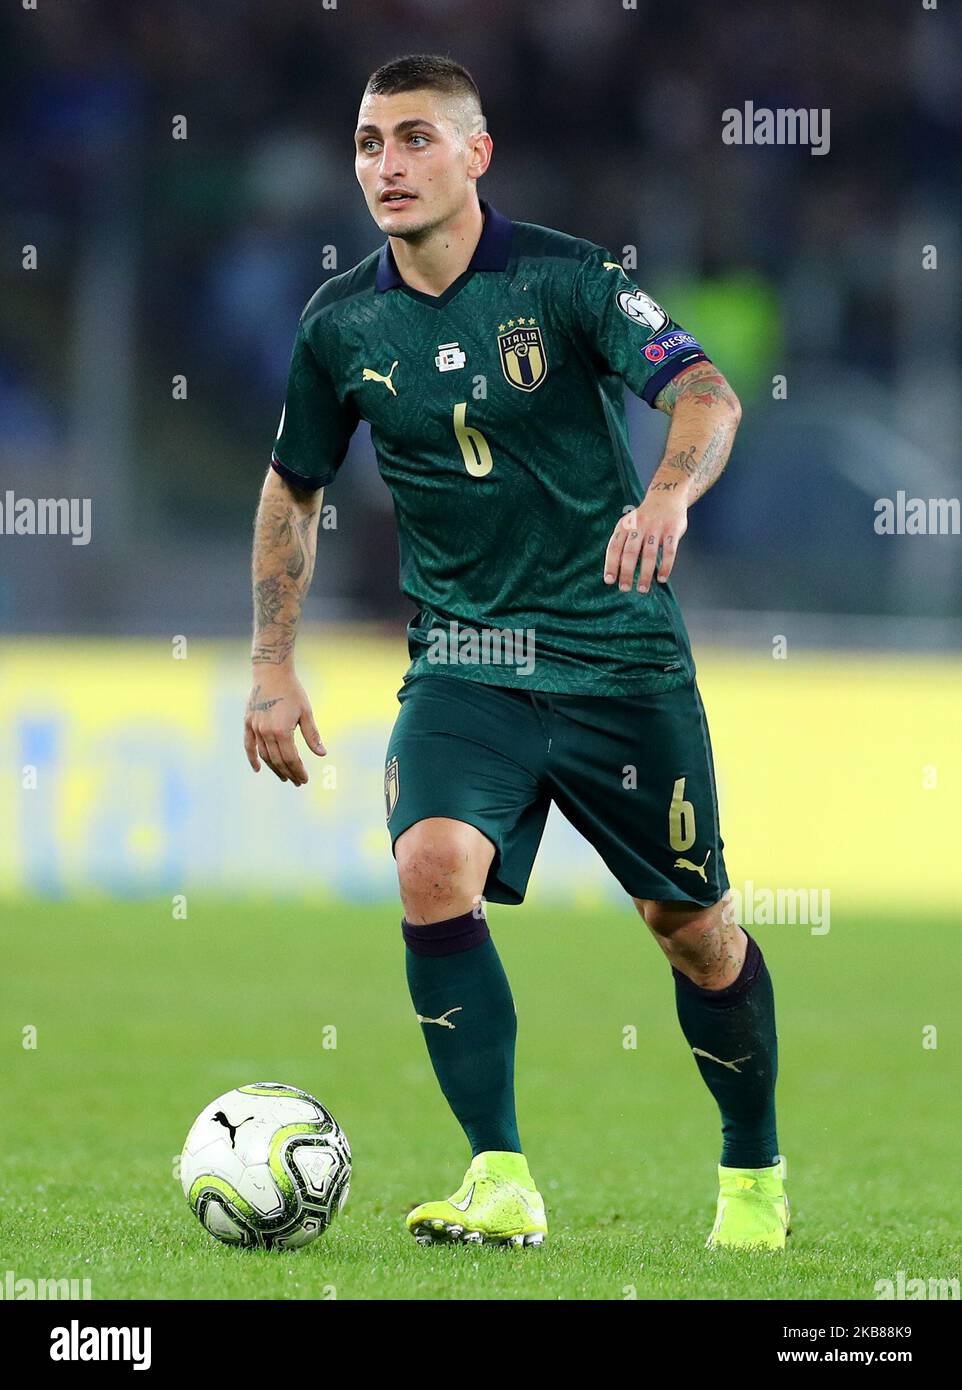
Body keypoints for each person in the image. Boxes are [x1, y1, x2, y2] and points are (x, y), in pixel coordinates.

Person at [244, 53, 787, 1251]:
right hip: (462, 662)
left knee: (690, 928)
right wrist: (270, 664)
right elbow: (293, 489)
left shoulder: (569, 279)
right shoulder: (340, 323)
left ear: (475, 154)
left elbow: (704, 392)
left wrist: (666, 496)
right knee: (430, 864)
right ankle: (498, 1174)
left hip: (614, 659)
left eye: (415, 139)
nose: (386, 164)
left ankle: (751, 1174)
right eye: (368, 142)